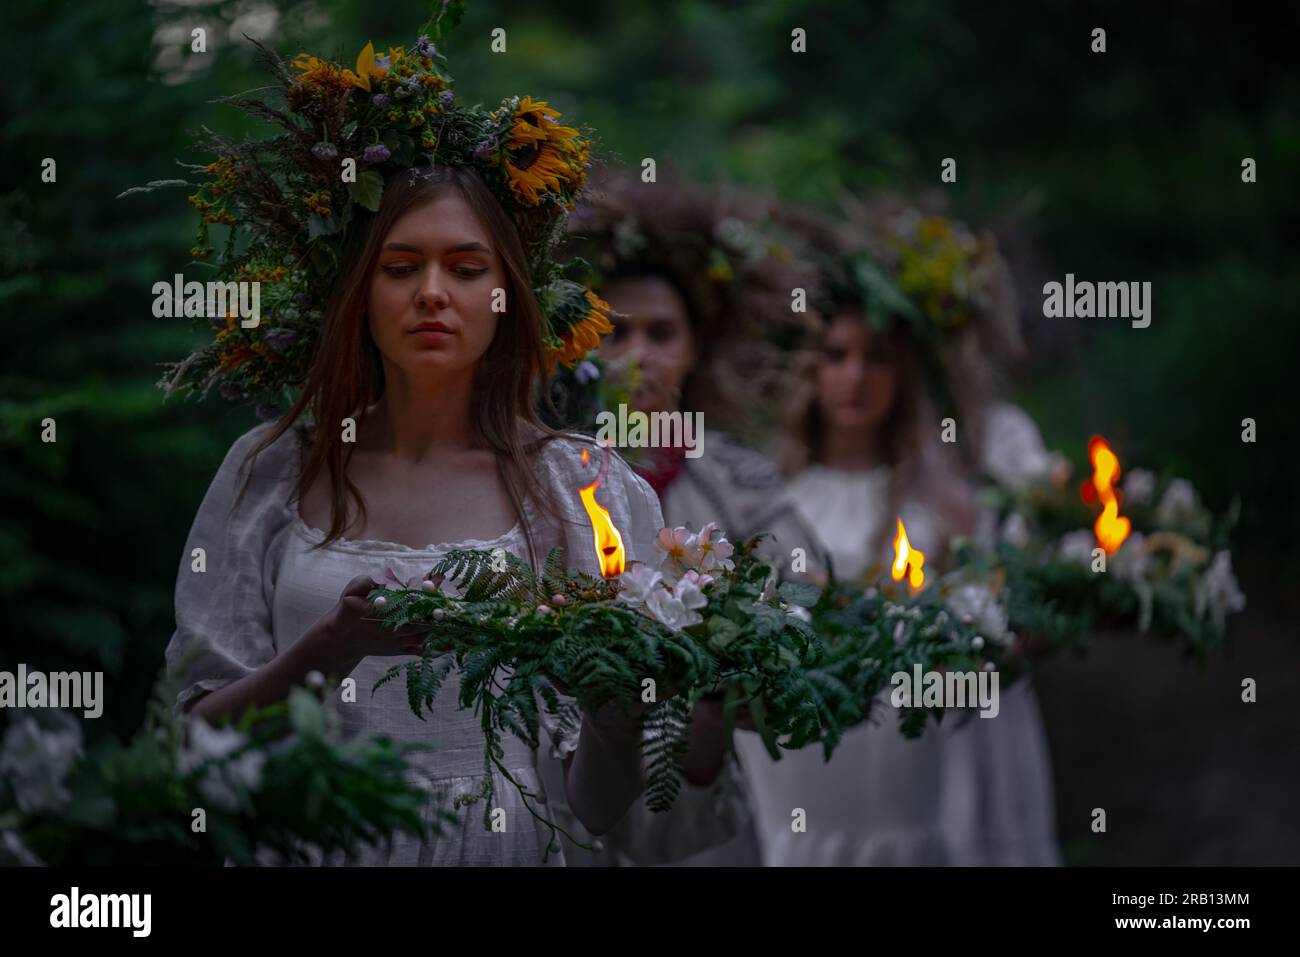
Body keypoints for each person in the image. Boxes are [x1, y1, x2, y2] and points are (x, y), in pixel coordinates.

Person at [162, 33, 732, 865]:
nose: (433, 293)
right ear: (361, 292)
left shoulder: (583, 490)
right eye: (401, 267)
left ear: (506, 296)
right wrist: (332, 646)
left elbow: (600, 810)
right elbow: (191, 740)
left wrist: (615, 708)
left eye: (466, 268)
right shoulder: (274, 469)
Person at [734, 201, 1060, 866]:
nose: (855, 377)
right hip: (805, 759)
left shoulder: (939, 498)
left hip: (915, 753)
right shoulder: (768, 497)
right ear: (810, 368)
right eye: (837, 355)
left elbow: (1004, 621)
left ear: (905, 372)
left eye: (877, 357)